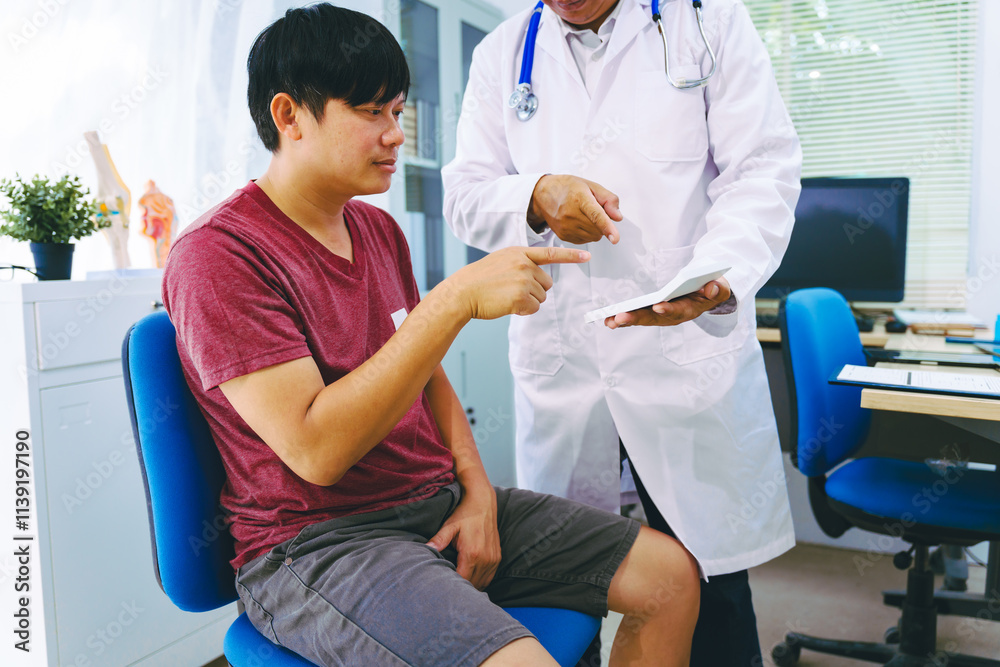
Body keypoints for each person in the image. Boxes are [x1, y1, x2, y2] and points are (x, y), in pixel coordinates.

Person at [162, 5, 700, 666]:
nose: (396, 134)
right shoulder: (218, 256)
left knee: (671, 577)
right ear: (289, 115)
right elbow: (316, 450)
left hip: (434, 503)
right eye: (371, 112)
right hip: (321, 541)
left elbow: (426, 376)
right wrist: (454, 300)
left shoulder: (379, 231)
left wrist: (475, 489)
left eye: (398, 110)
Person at [442, 0, 802, 664]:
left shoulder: (710, 22)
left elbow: (762, 168)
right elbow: (464, 193)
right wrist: (536, 193)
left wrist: (717, 272)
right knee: (563, 586)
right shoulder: (501, 54)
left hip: (683, 358)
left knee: (711, 587)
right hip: (566, 363)